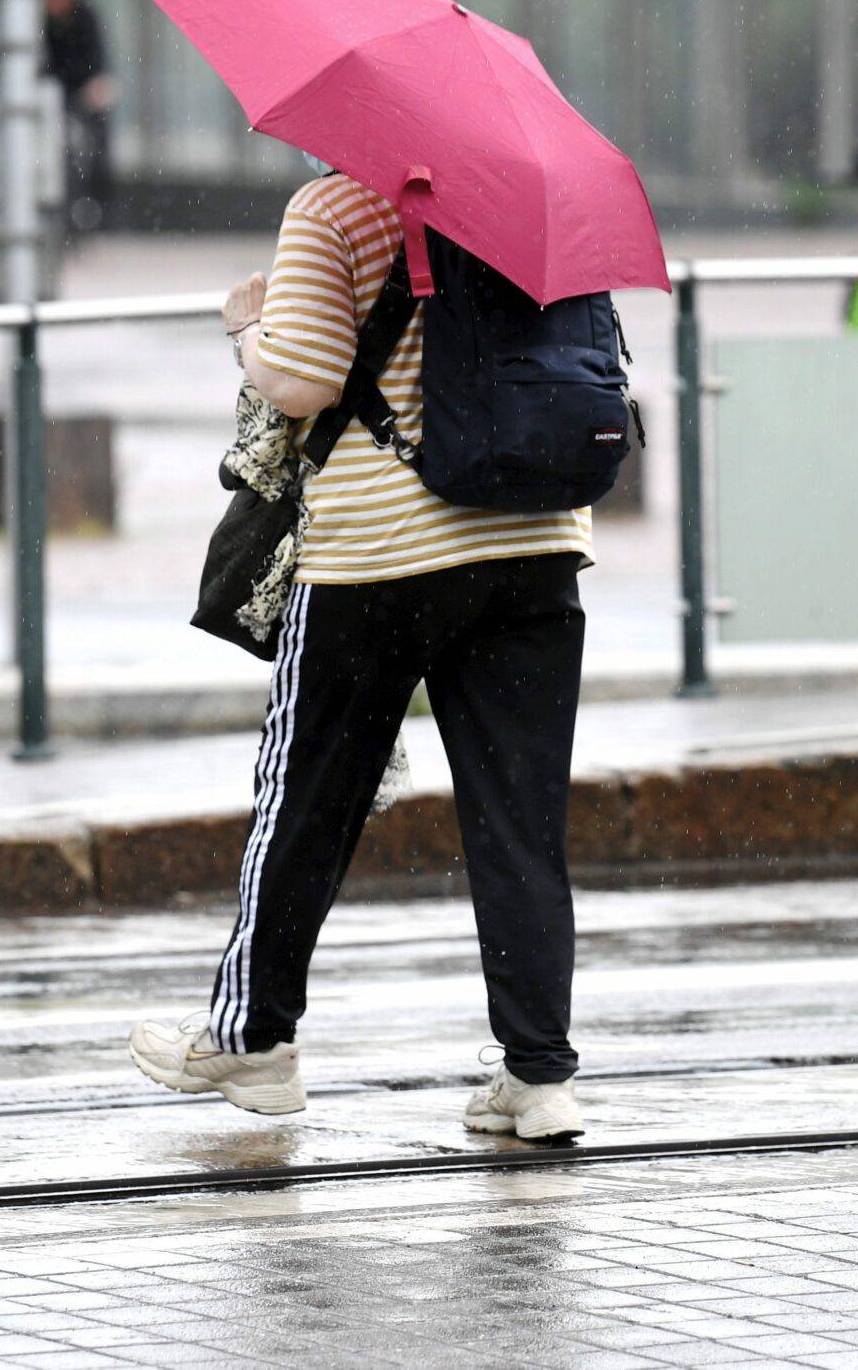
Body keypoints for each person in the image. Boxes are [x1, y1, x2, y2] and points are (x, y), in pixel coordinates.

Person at [128, 169, 595, 1144]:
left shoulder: (334, 206)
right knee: (520, 816)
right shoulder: (531, 195)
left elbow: (302, 380)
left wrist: (244, 328)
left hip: (380, 551)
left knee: (306, 799)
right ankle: (537, 1076)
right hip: (534, 542)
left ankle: (253, 1039)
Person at [41, 0, 116, 233]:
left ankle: (90, 215)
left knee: (92, 154)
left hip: (82, 96)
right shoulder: (41, 23)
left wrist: (96, 85)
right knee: (61, 156)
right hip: (53, 98)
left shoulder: (84, 17)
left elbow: (98, 60)